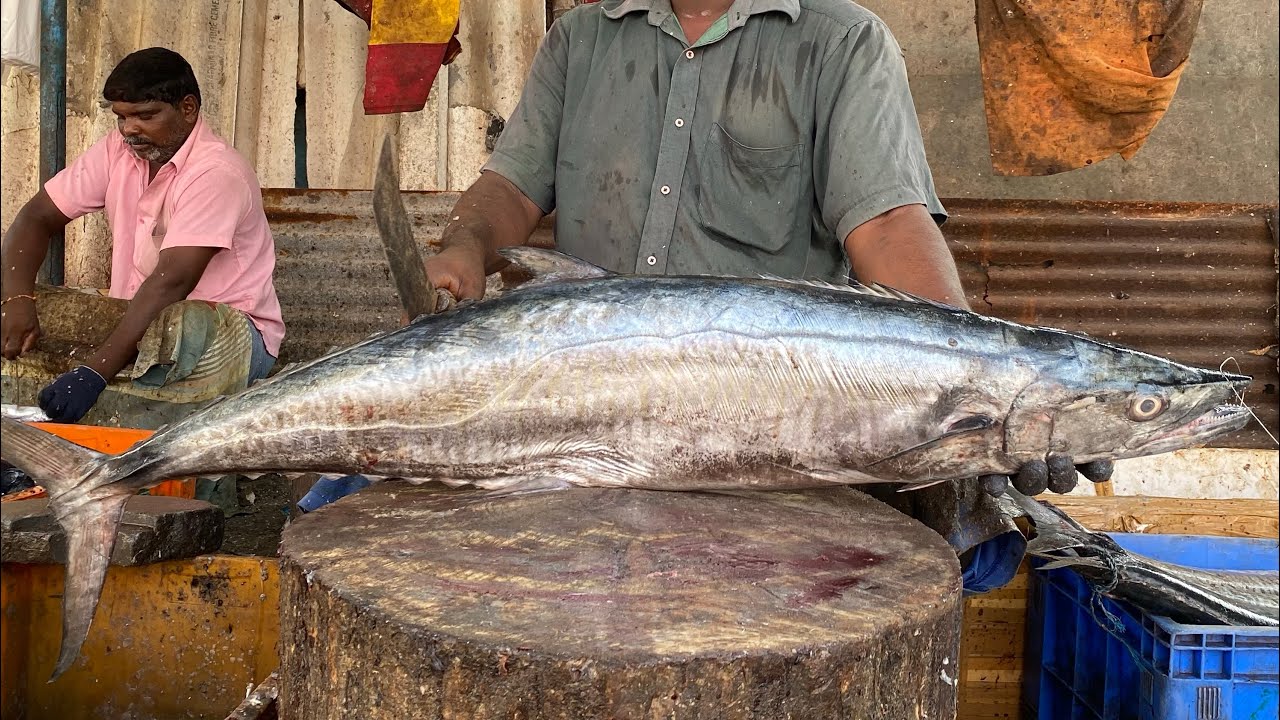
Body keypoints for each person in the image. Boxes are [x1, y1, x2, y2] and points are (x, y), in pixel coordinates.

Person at [423, 0, 1112, 592]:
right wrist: (466, 243)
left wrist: (989, 386)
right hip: (581, 409)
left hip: (764, 436)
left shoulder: (842, 40)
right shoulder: (581, 37)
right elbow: (511, 187)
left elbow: (886, 224)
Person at [0, 47, 284, 423]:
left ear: (187, 109)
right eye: (121, 117)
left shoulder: (217, 172)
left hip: (226, 338)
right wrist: (17, 299)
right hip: (141, 323)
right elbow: (36, 216)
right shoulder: (118, 151)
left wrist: (94, 373)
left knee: (182, 324)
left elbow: (172, 282)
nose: (129, 129)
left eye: (145, 115)